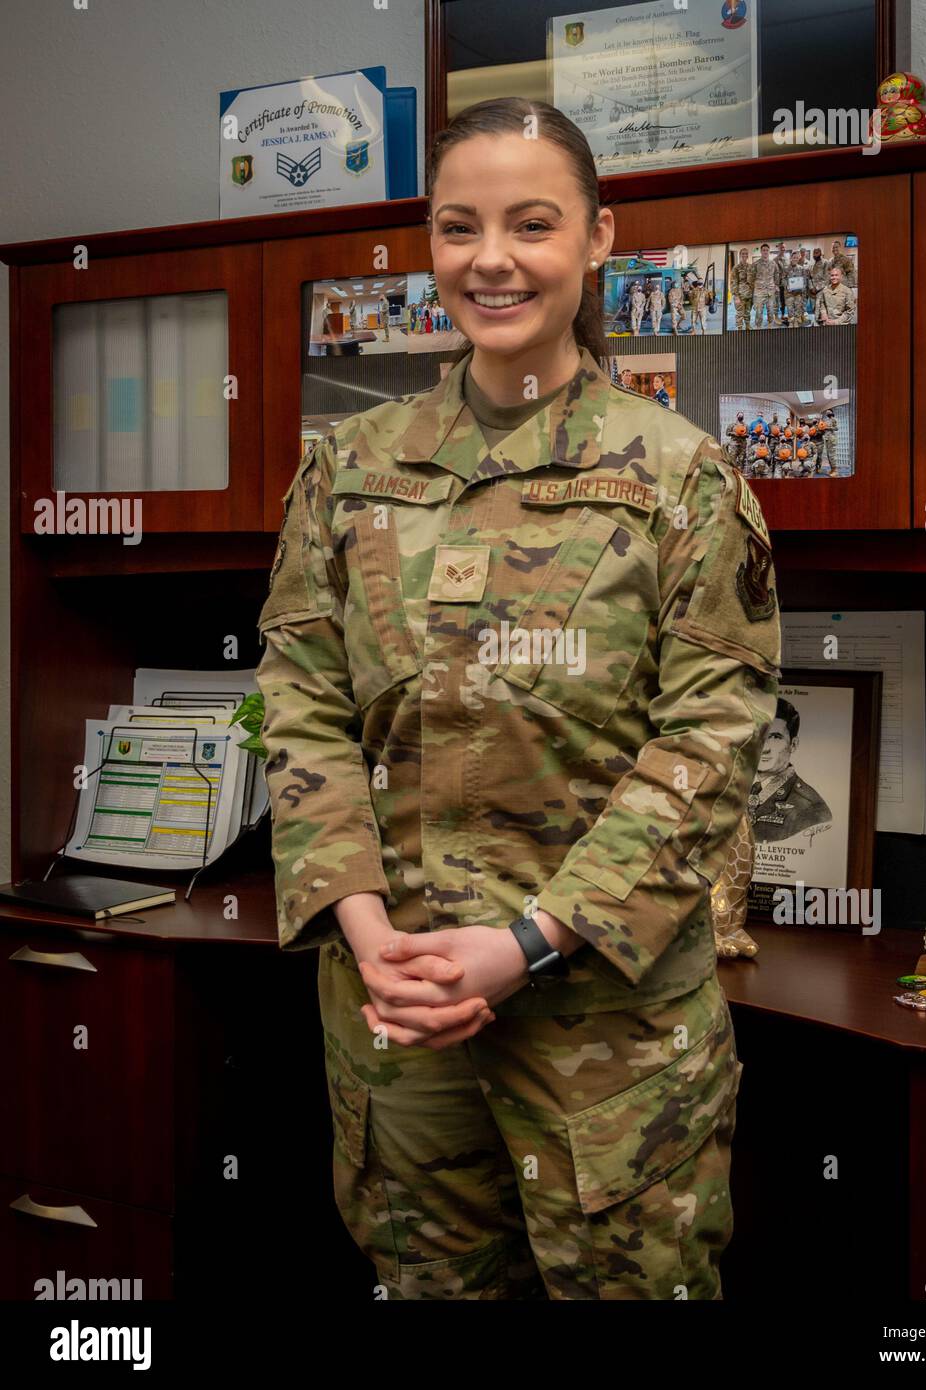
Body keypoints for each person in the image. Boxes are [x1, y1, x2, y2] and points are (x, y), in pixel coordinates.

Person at [255, 96, 781, 1301]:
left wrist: (527, 943)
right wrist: (364, 925)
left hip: (610, 1048)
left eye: (531, 224)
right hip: (400, 1029)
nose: (490, 259)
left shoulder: (680, 477)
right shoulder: (348, 469)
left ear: (598, 240)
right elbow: (299, 703)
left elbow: (708, 744)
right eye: (458, 227)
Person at [748, 698, 831, 842]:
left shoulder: (811, 808)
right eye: (757, 735)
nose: (764, 748)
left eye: (775, 737)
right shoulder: (733, 788)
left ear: (793, 744)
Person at [750, 243, 779, 328]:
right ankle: (758, 326)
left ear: (769, 251)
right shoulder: (756, 264)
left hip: (770, 290)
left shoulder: (773, 263)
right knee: (759, 311)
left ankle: (770, 324)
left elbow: (777, 274)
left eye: (767, 250)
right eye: (763, 250)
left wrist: (776, 284)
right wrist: (755, 286)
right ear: (761, 251)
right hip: (759, 291)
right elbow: (751, 276)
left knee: (770, 310)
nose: (765, 252)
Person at [730, 246, 753, 329]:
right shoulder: (736, 268)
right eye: (743, 254)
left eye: (746, 254)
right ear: (740, 255)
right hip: (740, 295)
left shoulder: (751, 267)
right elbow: (733, 282)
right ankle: (739, 328)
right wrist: (736, 296)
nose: (744, 255)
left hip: (749, 295)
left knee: (748, 312)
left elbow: (753, 281)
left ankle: (747, 325)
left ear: (747, 256)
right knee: (740, 313)